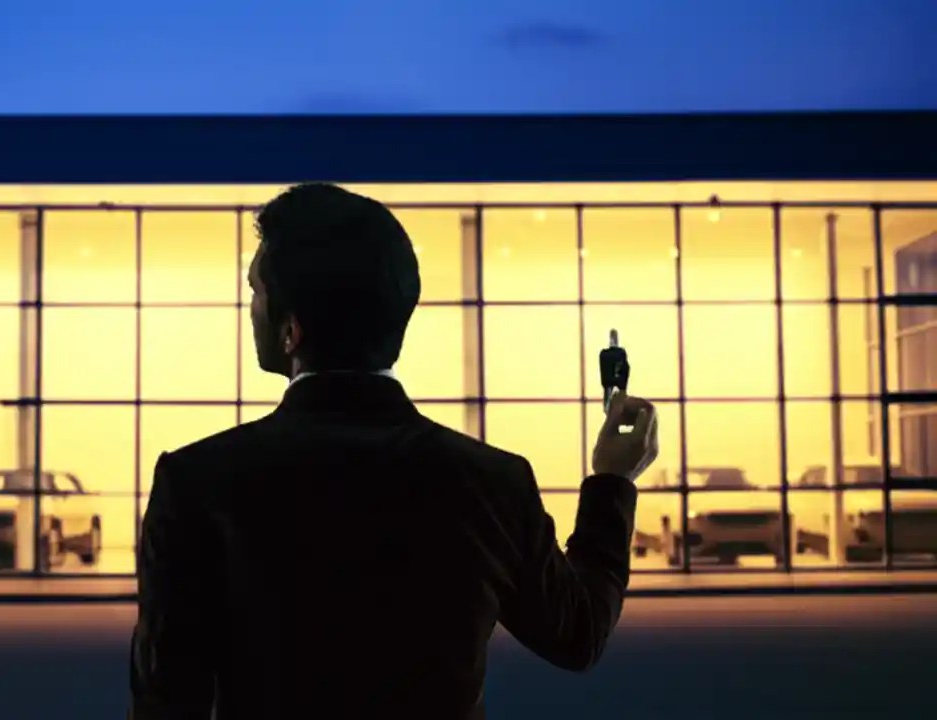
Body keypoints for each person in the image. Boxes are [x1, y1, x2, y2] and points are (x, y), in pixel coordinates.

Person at [128, 183, 659, 720]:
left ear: (291, 331)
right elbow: (579, 634)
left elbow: (165, 703)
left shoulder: (197, 484)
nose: (250, 309)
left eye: (255, 292)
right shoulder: (491, 482)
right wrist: (613, 483)